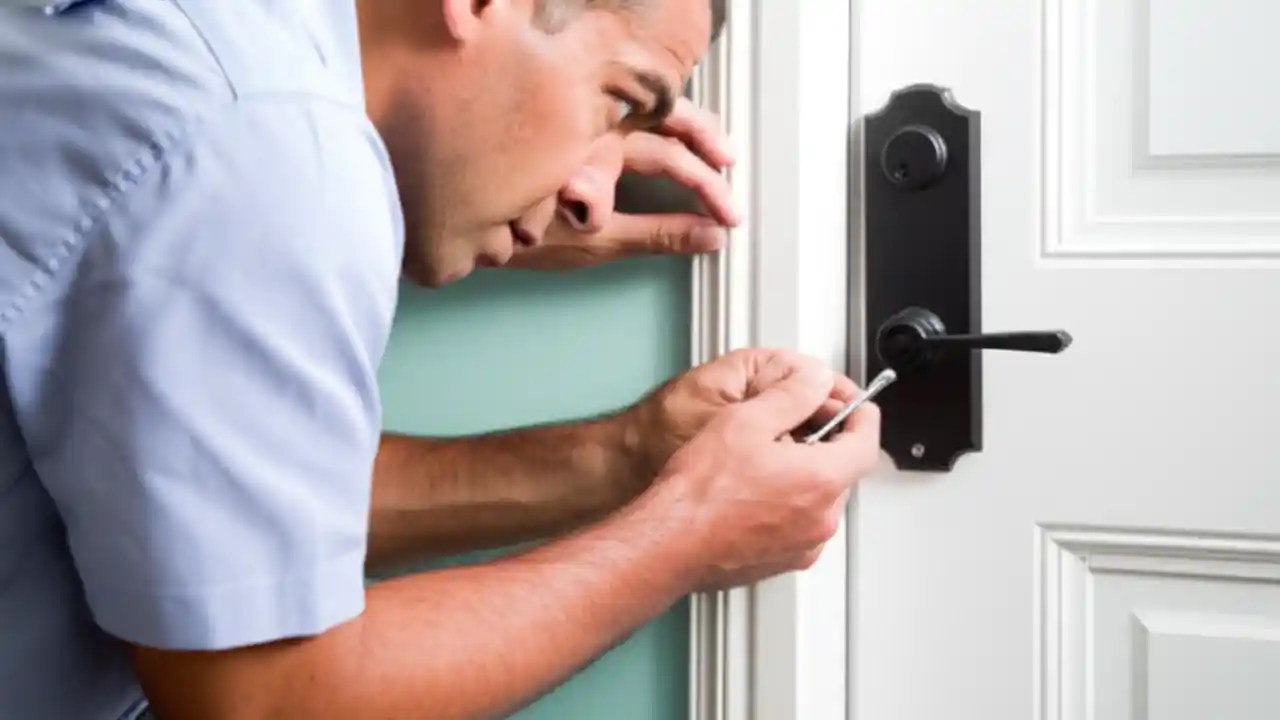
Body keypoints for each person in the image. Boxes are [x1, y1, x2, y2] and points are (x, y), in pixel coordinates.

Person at [0, 0, 882, 717]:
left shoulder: (229, 68)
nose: (591, 188)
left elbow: (229, 526)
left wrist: (636, 457)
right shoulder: (268, 146)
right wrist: (690, 531)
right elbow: (263, 700)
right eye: (621, 101)